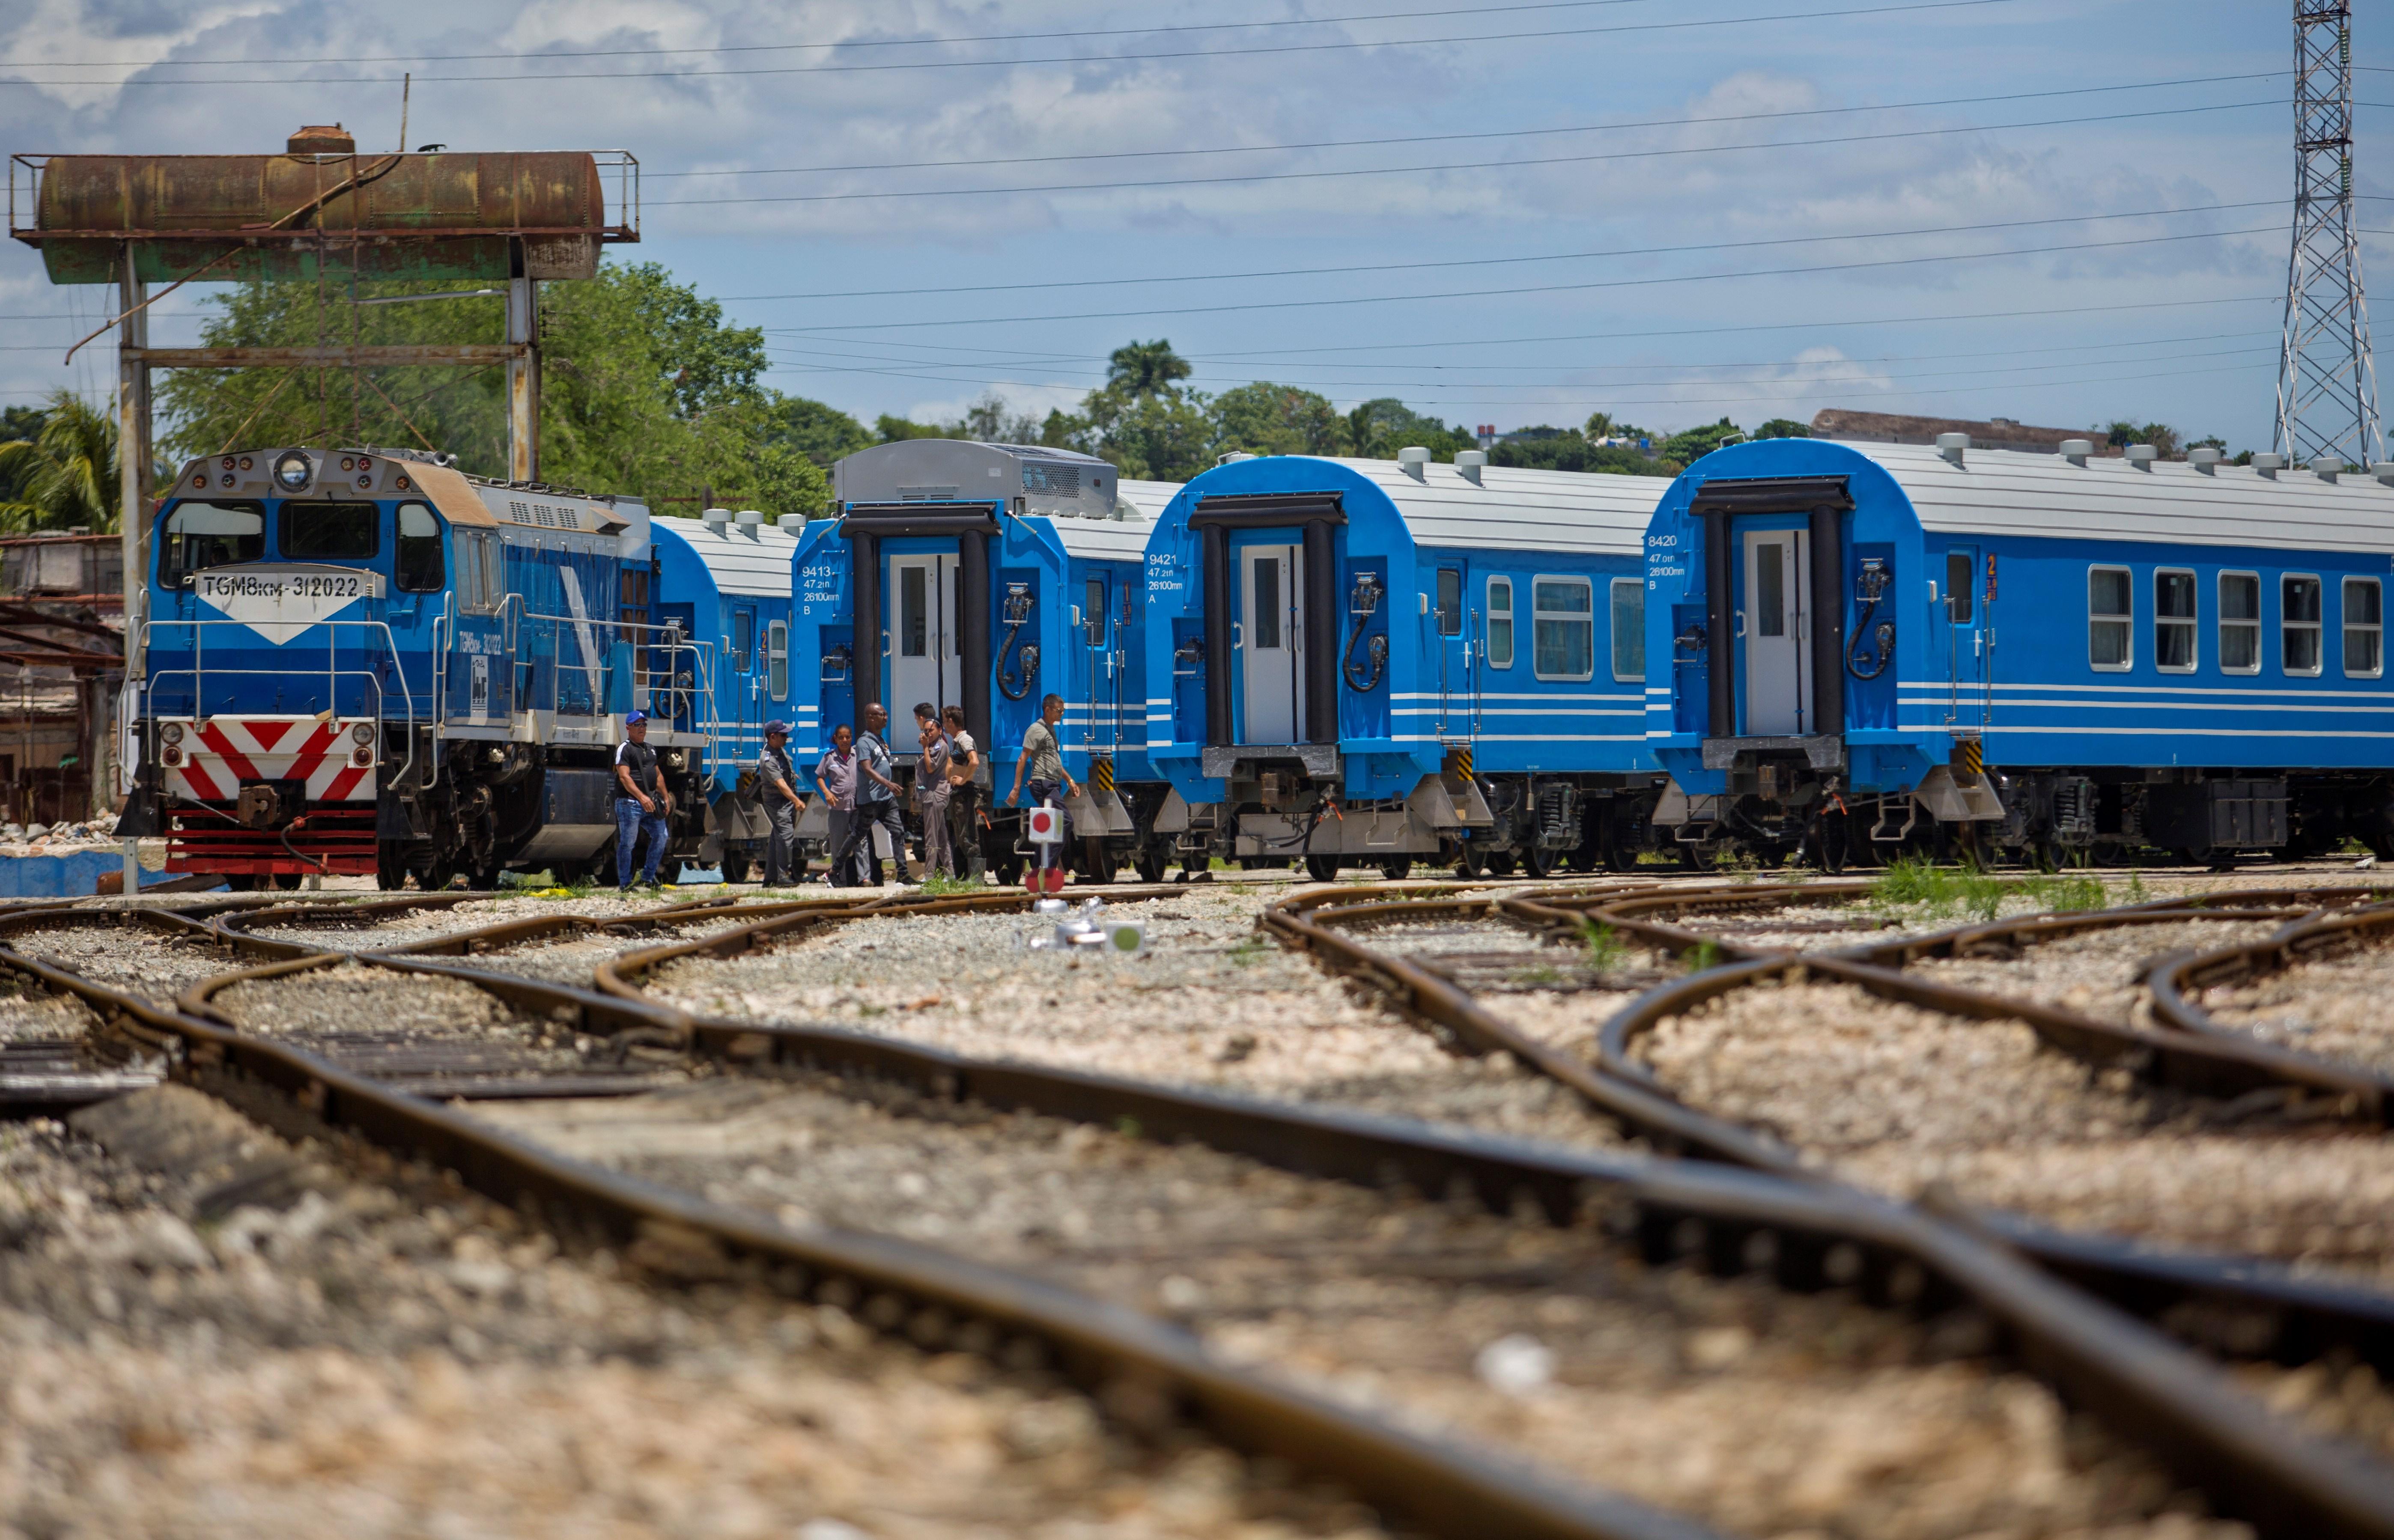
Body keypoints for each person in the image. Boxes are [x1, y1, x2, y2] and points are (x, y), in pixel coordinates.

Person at [836, 702, 912, 886]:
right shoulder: (864, 742)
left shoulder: (880, 739)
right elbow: (868, 769)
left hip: (886, 799)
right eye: (882, 715)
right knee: (857, 835)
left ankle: (903, 874)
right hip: (870, 800)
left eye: (886, 714)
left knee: (898, 832)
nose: (886, 717)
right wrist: (888, 783)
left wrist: (888, 788)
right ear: (871, 718)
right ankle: (834, 871)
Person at [613, 709, 676, 891]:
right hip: (629, 804)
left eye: (644, 724)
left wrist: (665, 797)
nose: (642, 728)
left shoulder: (651, 749)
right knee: (628, 843)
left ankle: (648, 878)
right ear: (628, 728)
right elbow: (624, 777)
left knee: (662, 836)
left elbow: (657, 775)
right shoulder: (624, 749)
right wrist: (641, 798)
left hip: (650, 803)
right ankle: (625, 883)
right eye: (637, 725)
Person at [1008, 691, 1079, 849]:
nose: (1062, 714)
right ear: (1047, 710)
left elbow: (1054, 762)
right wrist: (1016, 789)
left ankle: (1046, 863)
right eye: (1059, 711)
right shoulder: (1036, 730)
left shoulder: (1051, 730)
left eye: (1063, 711)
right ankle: (1047, 864)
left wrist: (1070, 780)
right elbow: (1023, 758)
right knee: (1065, 821)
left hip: (1052, 783)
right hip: (1043, 783)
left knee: (1054, 823)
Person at [754, 719, 804, 887]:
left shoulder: (780, 751)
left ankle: (770, 879)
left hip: (786, 800)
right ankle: (783, 876)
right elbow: (781, 784)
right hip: (778, 803)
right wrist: (796, 800)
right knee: (786, 836)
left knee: (777, 838)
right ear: (773, 737)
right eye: (784, 735)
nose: (787, 738)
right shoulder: (768, 760)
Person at [816, 723, 862, 887]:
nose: (844, 740)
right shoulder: (829, 757)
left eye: (847, 737)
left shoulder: (859, 755)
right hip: (838, 807)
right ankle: (839, 880)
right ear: (836, 738)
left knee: (861, 843)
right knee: (838, 845)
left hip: (857, 806)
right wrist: (827, 793)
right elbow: (820, 777)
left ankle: (865, 879)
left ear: (852, 738)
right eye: (841, 737)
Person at [940, 704, 983, 880]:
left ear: (951, 721)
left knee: (968, 836)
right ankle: (965, 877)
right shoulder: (957, 741)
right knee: (960, 837)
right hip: (957, 794)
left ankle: (977, 878)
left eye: (945, 721)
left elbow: (974, 761)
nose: (943, 725)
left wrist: (963, 780)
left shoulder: (965, 740)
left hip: (964, 793)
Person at [915, 708, 956, 879]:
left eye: (931, 730)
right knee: (941, 837)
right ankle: (950, 873)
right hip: (929, 795)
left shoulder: (941, 746)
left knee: (931, 837)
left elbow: (931, 767)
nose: (928, 733)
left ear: (940, 731)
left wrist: (925, 748)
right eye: (926, 731)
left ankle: (930, 875)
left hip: (935, 796)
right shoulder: (931, 746)